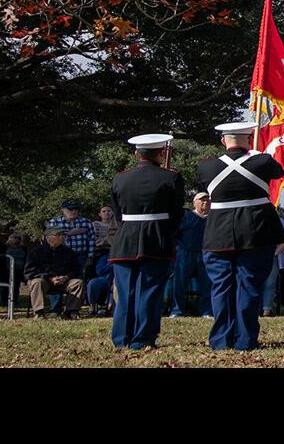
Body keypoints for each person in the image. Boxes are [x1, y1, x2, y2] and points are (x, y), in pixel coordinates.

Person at [199, 122, 284, 351]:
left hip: (218, 234)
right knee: (249, 285)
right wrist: (258, 155)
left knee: (221, 287)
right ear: (250, 139)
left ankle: (220, 339)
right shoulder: (262, 161)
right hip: (255, 232)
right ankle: (245, 339)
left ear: (223, 141)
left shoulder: (206, 166)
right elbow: (279, 172)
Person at [109, 134, 186, 350]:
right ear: (162, 153)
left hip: (125, 238)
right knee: (149, 291)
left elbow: (118, 213)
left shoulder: (119, 178)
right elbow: (176, 213)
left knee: (125, 293)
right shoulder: (171, 177)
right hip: (157, 237)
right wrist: (167, 232)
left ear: (136, 153)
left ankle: (122, 338)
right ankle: (142, 338)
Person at [24, 226, 85, 319]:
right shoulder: (36, 252)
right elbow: (30, 272)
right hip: (44, 281)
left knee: (77, 282)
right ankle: (39, 312)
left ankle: (71, 311)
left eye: (63, 235)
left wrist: (66, 277)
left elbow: (77, 269)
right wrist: (50, 278)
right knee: (37, 282)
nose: (62, 237)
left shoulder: (68, 252)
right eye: (58, 235)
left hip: (63, 281)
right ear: (48, 237)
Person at [170, 192, 212, 318]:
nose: (204, 203)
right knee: (180, 283)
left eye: (207, 200)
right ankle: (177, 311)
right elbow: (175, 234)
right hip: (185, 253)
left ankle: (206, 311)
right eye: (201, 200)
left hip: (205, 253)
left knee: (207, 284)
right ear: (194, 203)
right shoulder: (187, 217)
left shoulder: (212, 218)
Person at [46, 200, 96, 269]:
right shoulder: (54, 222)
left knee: (80, 278)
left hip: (81, 256)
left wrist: (90, 257)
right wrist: (69, 233)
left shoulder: (86, 222)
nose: (74, 211)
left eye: (76, 208)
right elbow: (50, 240)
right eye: (70, 209)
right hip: (61, 257)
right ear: (63, 210)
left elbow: (92, 240)